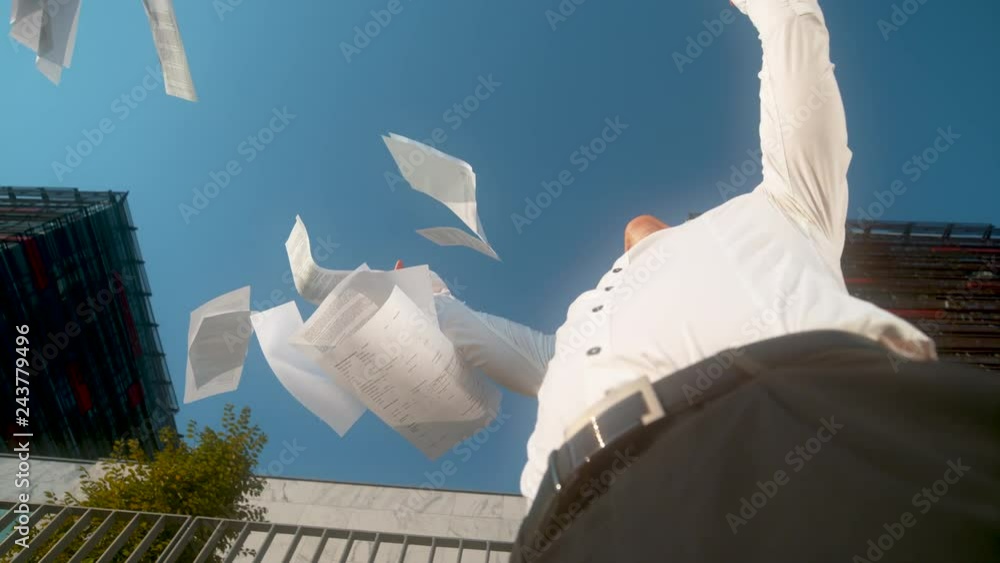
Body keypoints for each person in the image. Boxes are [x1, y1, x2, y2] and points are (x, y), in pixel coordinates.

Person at [391, 1, 1000, 560]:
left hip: (795, 436)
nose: (635, 234)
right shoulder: (576, 330)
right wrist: (434, 298)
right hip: (574, 521)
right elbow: (484, 343)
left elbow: (793, 34)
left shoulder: (784, 204)